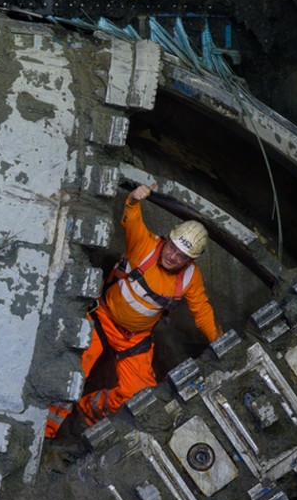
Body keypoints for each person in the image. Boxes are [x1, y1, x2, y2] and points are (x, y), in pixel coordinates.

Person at [45, 183, 221, 437]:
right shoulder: (145, 246)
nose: (172, 256)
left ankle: (86, 414)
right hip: (103, 318)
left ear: (190, 260)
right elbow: (132, 221)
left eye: (181, 255)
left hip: (135, 338)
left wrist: (218, 340)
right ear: (168, 239)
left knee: (141, 396)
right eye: (172, 247)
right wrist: (133, 200)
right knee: (69, 373)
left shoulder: (190, 278)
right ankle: (46, 431)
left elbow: (202, 310)